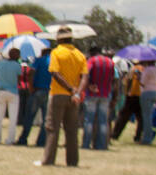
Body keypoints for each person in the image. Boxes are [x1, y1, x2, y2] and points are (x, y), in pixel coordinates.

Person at [37, 26, 88, 167]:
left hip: (58, 93)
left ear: (58, 39)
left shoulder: (57, 52)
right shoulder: (80, 55)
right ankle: (72, 161)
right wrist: (77, 92)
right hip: (74, 97)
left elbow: (55, 73)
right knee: (72, 130)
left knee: (53, 128)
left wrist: (70, 89)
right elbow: (84, 77)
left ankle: (48, 160)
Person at [17, 46, 50, 148]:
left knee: (29, 116)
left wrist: (31, 87)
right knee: (46, 119)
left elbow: (31, 73)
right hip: (49, 92)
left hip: (37, 90)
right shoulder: (54, 61)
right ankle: (41, 141)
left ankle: (23, 139)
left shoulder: (39, 60)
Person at [82, 45, 114, 150]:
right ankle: (102, 145)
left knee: (89, 120)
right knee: (103, 121)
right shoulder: (110, 62)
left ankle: (86, 144)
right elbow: (113, 78)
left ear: (91, 53)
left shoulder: (91, 61)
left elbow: (86, 74)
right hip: (105, 94)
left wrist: (89, 85)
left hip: (92, 93)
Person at [0, 47, 22, 145]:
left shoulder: (1, 64)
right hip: (13, 92)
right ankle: (10, 139)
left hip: (1, 91)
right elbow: (18, 79)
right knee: (13, 118)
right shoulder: (17, 65)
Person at [111, 61, 144, 141]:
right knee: (141, 118)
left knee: (123, 116)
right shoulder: (146, 69)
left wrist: (127, 93)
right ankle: (138, 136)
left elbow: (128, 81)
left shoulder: (133, 69)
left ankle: (115, 134)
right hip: (141, 96)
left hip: (131, 96)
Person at [136, 59, 156, 144]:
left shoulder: (147, 70)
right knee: (150, 115)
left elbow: (143, 83)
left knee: (146, 117)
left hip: (147, 92)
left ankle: (147, 138)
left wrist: (139, 78)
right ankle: (149, 136)